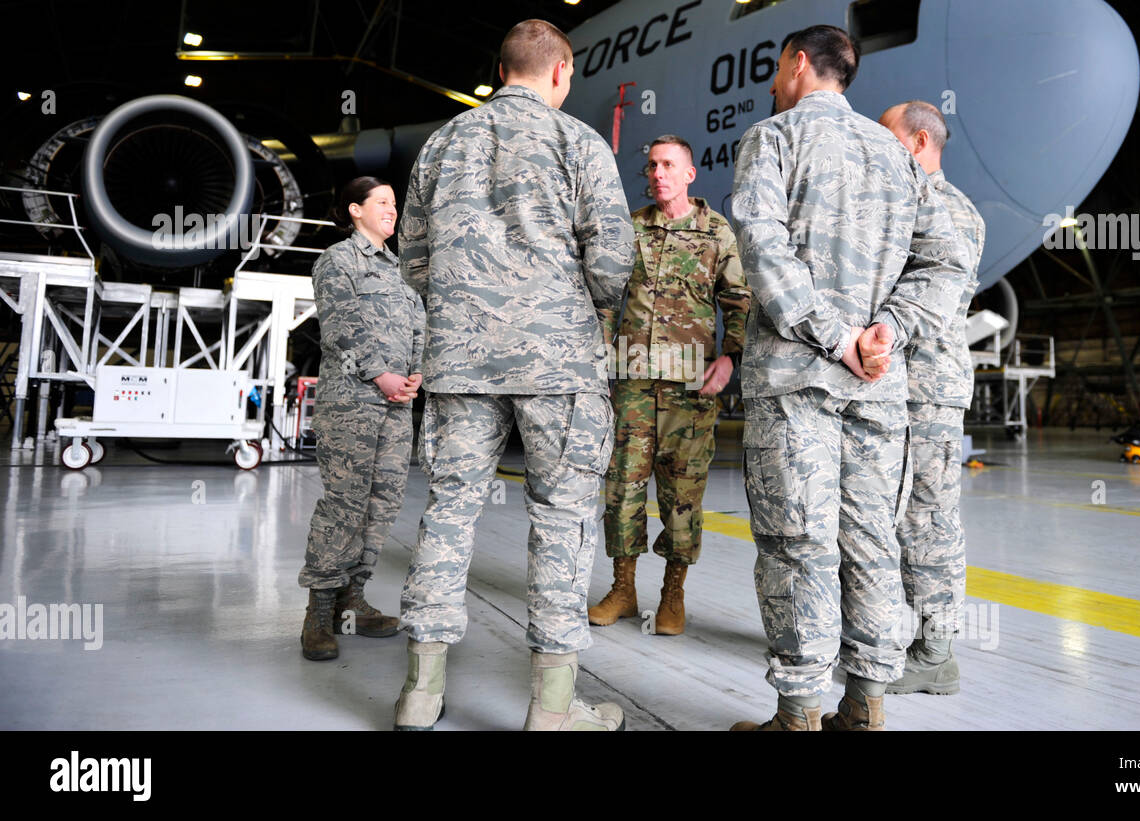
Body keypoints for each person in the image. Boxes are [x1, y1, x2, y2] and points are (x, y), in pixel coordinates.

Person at [394, 19, 635, 731]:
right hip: (557, 363)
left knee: (449, 509)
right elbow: (612, 262)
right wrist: (573, 307)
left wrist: (463, 310)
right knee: (562, 518)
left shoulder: (443, 142)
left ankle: (419, 694)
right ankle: (552, 709)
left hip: (460, 362)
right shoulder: (578, 142)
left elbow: (412, 258)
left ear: (501, 71)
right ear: (560, 72)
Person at [728, 25, 966, 731]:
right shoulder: (896, 156)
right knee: (871, 543)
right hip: (878, 388)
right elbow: (946, 262)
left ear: (799, 63)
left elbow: (761, 246)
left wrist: (834, 338)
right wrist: (887, 330)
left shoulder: (773, 138)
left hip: (796, 380)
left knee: (797, 541)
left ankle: (799, 713)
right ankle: (866, 705)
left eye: (779, 67)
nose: (776, 81)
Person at [587, 135, 750, 636]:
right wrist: (599, 361)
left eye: (668, 165)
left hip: (690, 389)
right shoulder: (631, 228)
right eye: (653, 165)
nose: (658, 173)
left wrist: (730, 358)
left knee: (682, 495)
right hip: (632, 384)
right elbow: (607, 298)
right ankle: (622, 589)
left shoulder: (716, 231)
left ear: (689, 174)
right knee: (622, 489)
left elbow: (739, 300)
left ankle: (672, 594)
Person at [879, 100, 985, 695]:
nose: (879, 146)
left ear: (921, 142)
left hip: (929, 389)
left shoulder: (949, 209)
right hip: (896, 385)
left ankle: (937, 653)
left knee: (928, 517)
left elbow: (931, 303)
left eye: (888, 136)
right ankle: (888, 636)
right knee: (889, 516)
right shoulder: (907, 202)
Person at [298, 176, 424, 662]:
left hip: (396, 407)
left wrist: (415, 373)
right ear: (356, 209)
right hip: (351, 404)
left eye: (395, 203)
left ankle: (352, 599)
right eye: (382, 202)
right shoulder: (339, 260)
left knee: (382, 504)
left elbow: (419, 327)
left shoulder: (399, 269)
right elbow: (339, 326)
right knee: (344, 505)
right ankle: (319, 611)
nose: (392, 210)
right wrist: (381, 375)